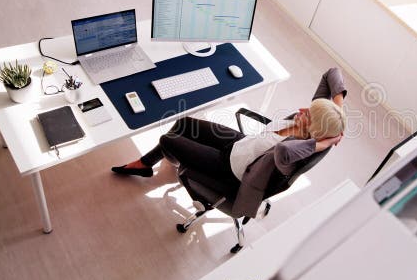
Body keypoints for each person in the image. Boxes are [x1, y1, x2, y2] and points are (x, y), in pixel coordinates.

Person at [111, 68, 347, 198]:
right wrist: (337, 107)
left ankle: (169, 156)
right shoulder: (307, 120)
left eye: (308, 114)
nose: (302, 110)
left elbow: (284, 150)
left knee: (168, 139)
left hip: (230, 168)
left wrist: (324, 144)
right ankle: (148, 163)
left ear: (314, 132)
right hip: (240, 143)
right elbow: (331, 74)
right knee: (183, 124)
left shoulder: (296, 151)